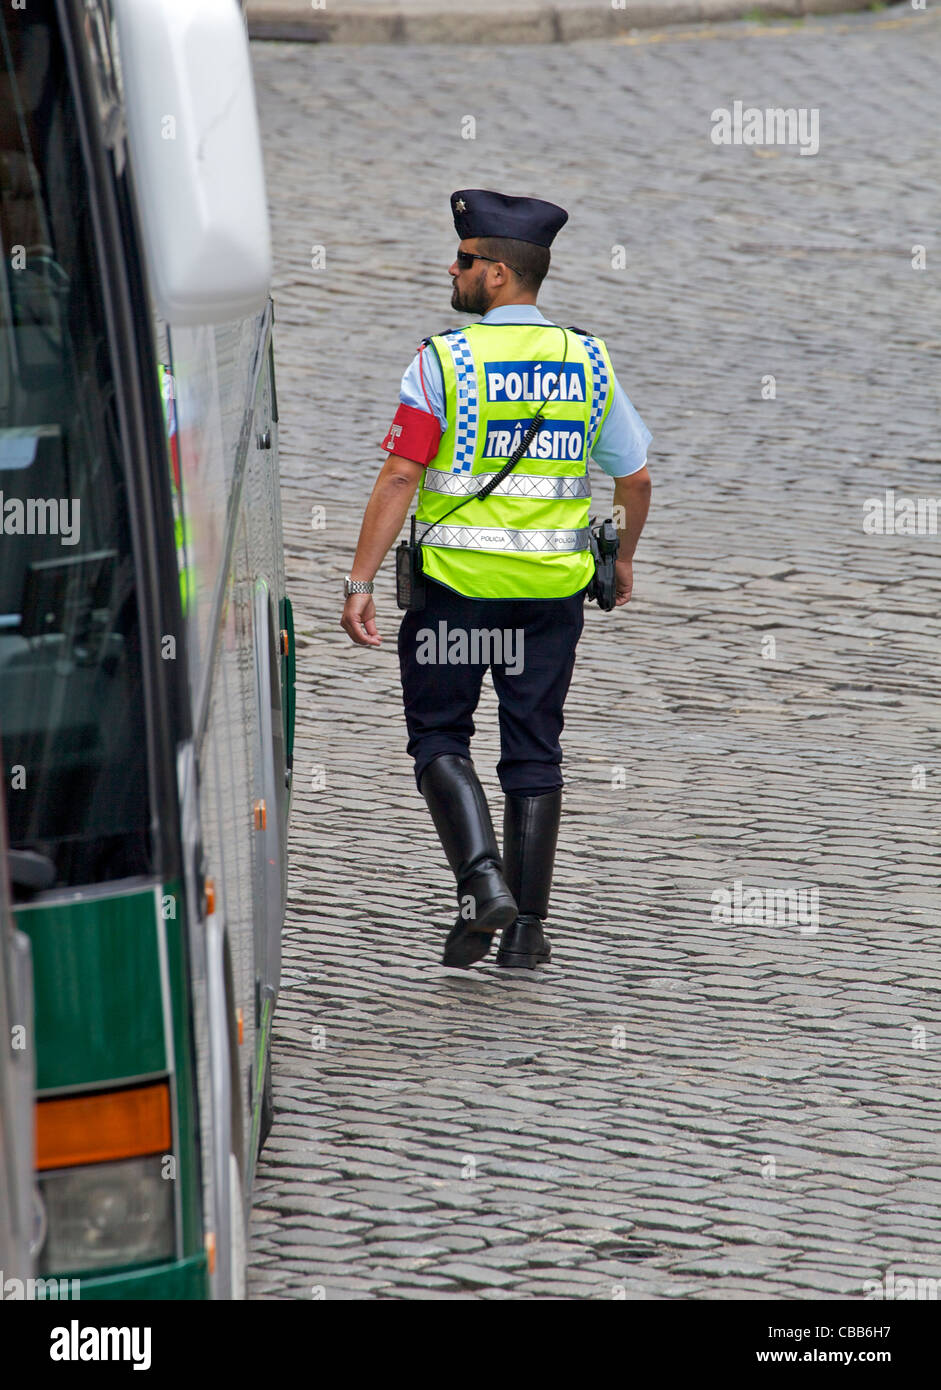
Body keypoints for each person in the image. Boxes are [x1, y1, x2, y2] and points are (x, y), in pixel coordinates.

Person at [341, 189, 651, 969]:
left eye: (466, 260)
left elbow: (401, 475)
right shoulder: (587, 358)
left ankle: (481, 884)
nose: (453, 269)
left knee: (440, 735)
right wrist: (623, 560)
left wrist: (359, 580)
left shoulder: (442, 361)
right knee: (534, 750)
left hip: (455, 591)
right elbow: (636, 476)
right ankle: (526, 934)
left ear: (499, 276)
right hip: (551, 595)